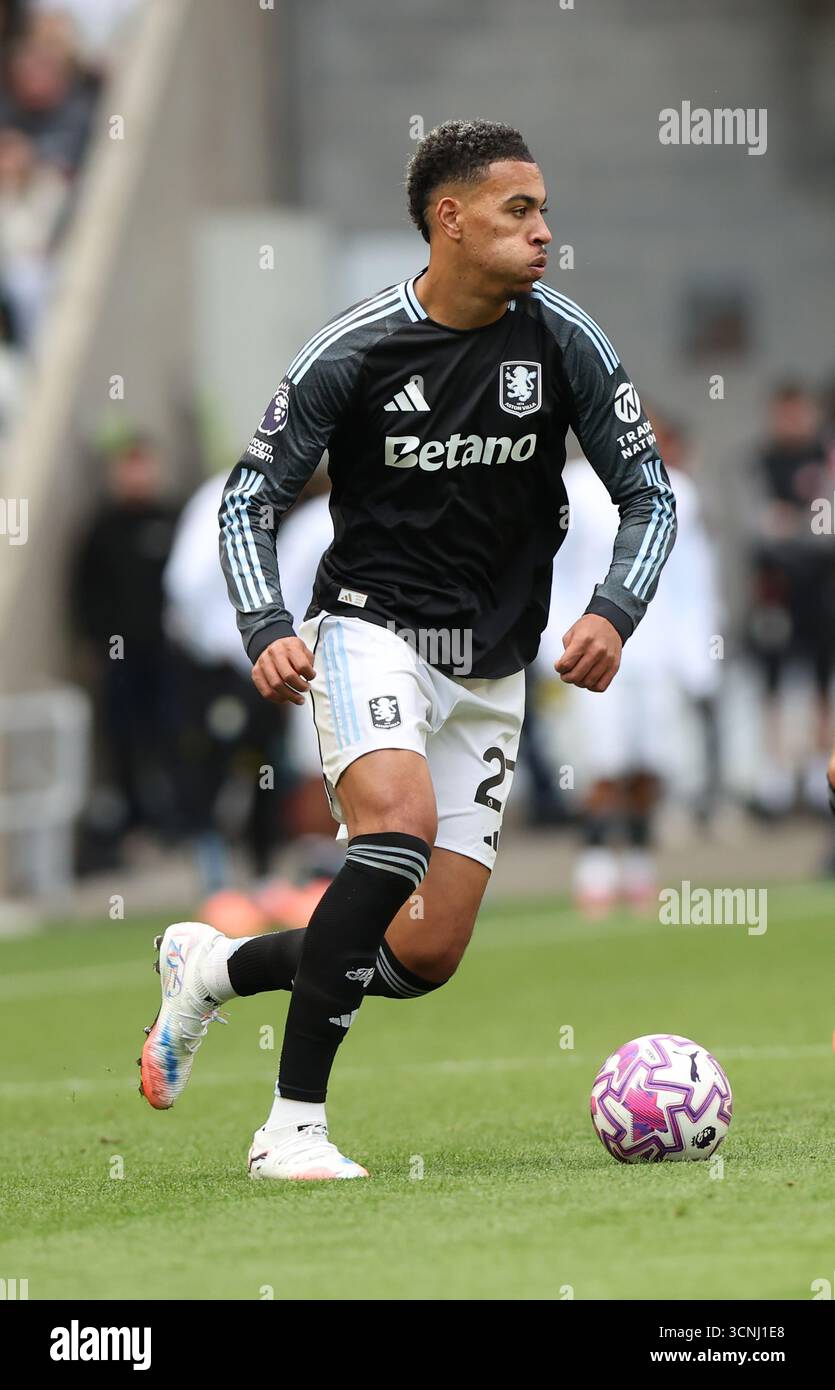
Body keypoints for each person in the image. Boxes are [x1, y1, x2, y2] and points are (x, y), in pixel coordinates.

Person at [139, 118, 677, 1179]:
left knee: (423, 954)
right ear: (450, 218)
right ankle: (291, 1126)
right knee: (394, 832)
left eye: (543, 210)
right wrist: (266, 626)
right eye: (519, 210)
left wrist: (613, 609)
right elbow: (249, 495)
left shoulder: (565, 341)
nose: (543, 232)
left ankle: (213, 969)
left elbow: (648, 495)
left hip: (492, 668)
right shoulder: (353, 350)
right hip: (370, 630)